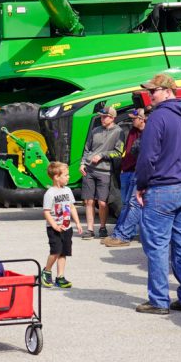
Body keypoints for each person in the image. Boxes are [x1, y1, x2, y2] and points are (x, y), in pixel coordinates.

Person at [133, 74, 181, 314]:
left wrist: (141, 184)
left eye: (154, 91)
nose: (150, 96)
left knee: (158, 246)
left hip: (162, 188)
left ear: (168, 91)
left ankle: (159, 300)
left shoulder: (158, 116)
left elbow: (148, 156)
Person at [102, 104, 147, 248]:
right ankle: (120, 232)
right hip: (128, 171)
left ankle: (123, 235)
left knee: (134, 204)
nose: (132, 121)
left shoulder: (148, 133)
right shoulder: (133, 132)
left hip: (138, 171)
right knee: (127, 203)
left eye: (135, 118)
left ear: (142, 119)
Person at [81, 104, 124, 235]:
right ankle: (89, 229)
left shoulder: (119, 132)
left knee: (102, 202)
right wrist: (82, 163)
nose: (102, 119)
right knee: (89, 201)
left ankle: (103, 227)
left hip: (105, 171)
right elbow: (87, 149)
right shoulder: (95, 131)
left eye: (105, 117)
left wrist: (102, 155)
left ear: (113, 118)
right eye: (101, 117)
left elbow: (118, 152)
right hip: (89, 170)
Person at [40, 161, 79, 289]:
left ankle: (60, 277)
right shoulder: (50, 193)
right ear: (57, 177)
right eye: (66, 175)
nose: (68, 177)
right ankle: (46, 271)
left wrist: (77, 223)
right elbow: (46, 212)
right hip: (54, 228)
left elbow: (72, 207)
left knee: (63, 252)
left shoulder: (68, 190)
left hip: (67, 227)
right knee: (55, 251)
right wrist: (55, 226)